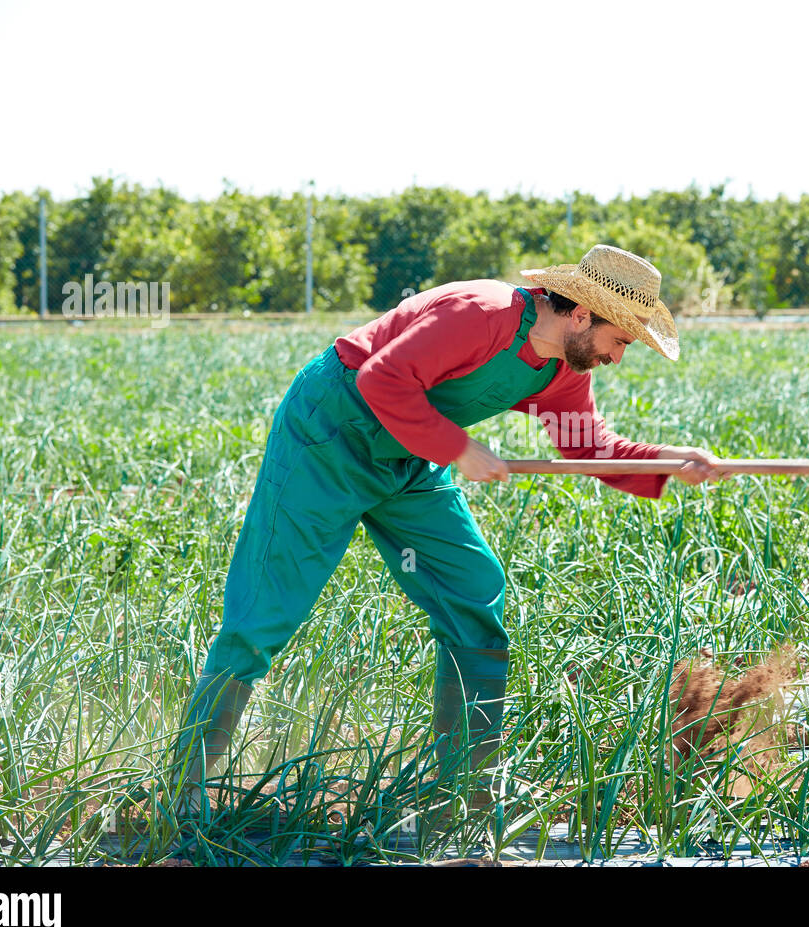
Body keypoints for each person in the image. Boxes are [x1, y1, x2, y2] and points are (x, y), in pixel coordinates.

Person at [168, 243, 723, 820]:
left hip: (408, 458)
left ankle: (467, 795)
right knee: (267, 610)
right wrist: (458, 448)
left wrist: (667, 459)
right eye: (620, 339)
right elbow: (382, 381)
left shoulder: (559, 372)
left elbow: (588, 446)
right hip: (329, 437)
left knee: (473, 589)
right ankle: (185, 794)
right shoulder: (479, 314)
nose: (617, 356)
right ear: (582, 314)